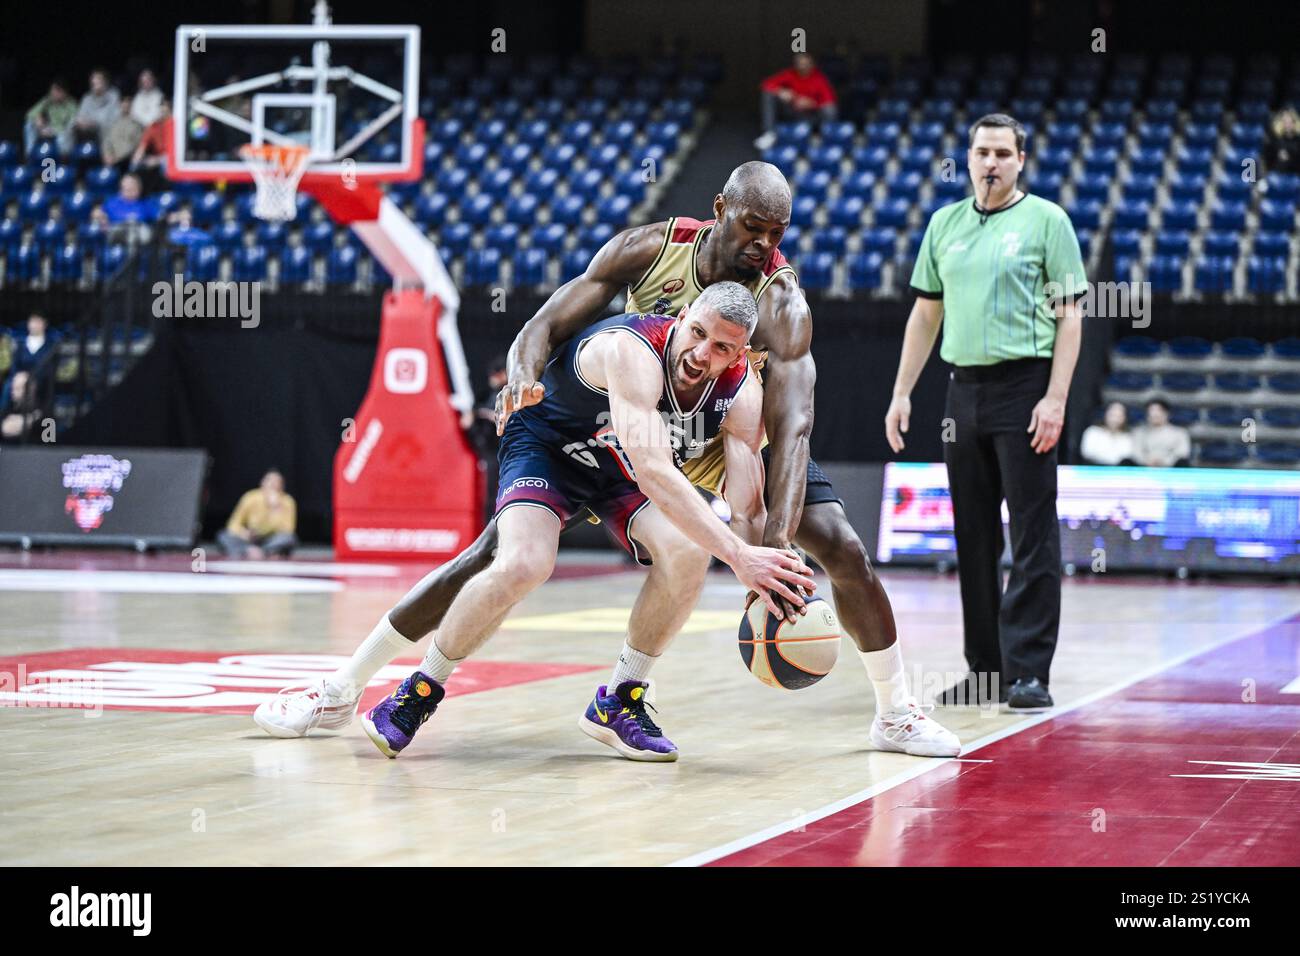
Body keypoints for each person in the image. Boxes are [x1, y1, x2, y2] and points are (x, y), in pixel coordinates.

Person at [255, 161, 959, 759]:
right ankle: (339, 690)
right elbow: (543, 325)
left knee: (837, 545)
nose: (763, 246)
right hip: (612, 421)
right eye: (753, 228)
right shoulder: (648, 254)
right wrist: (525, 376)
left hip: (709, 429)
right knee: (500, 558)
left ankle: (892, 711)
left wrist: (766, 556)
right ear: (720, 212)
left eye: (776, 235)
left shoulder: (782, 305)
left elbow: (790, 431)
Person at [258, 285, 815, 761]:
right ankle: (420, 688)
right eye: (697, 333)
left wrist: (760, 577)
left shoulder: (741, 390)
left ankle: (619, 697)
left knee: (689, 552)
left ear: (741, 353)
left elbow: (747, 508)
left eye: (721, 348)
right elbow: (654, 471)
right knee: (525, 562)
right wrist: (740, 559)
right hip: (550, 448)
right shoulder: (631, 350)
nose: (702, 354)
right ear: (684, 314)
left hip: (616, 464)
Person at [886, 113, 1087, 713]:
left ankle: (1029, 671)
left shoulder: (1048, 221)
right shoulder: (944, 224)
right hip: (962, 390)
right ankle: (985, 669)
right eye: (982, 152)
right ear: (969, 159)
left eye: (1003, 152)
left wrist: (1055, 398)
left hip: (1025, 385)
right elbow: (926, 314)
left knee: (1031, 533)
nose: (991, 162)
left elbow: (1071, 316)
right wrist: (902, 393)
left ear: (1020, 159)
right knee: (972, 535)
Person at [753, 53, 838, 151]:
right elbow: (766, 84)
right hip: (793, 111)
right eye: (800, 64)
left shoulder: (819, 78)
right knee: (768, 94)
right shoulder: (790, 74)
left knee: (829, 110)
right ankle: (769, 133)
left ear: (812, 65)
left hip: (811, 117)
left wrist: (813, 104)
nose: (803, 67)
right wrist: (780, 91)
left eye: (806, 64)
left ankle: (824, 137)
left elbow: (830, 101)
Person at [218, 469, 298, 559]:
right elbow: (233, 523)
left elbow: (288, 530)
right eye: (269, 481)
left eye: (276, 482)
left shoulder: (287, 501)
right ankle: (249, 550)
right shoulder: (251, 497)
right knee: (223, 535)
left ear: (282, 486)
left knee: (289, 539)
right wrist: (243, 533)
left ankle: (262, 552)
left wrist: (274, 509)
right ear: (262, 483)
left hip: (271, 539)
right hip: (250, 537)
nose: (272, 484)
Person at [1131, 398, 1191, 467]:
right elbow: (1136, 453)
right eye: (1151, 411)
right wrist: (1147, 461)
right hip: (1144, 468)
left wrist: (1163, 461)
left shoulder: (1180, 433)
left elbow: (1182, 454)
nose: (1154, 414)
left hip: (1171, 470)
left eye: (1159, 410)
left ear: (1167, 413)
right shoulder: (1139, 432)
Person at [24, 79, 77, 155]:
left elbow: (72, 124)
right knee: (29, 125)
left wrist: (52, 132)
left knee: (62, 137)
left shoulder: (71, 104)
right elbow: (29, 114)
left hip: (62, 132)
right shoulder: (48, 100)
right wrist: (37, 118)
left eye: (56, 91)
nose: (52, 93)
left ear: (63, 92)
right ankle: (30, 154)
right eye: (52, 91)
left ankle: (63, 160)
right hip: (47, 128)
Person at [73, 70, 120, 146]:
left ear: (105, 82)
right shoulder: (87, 98)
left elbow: (116, 119)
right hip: (89, 135)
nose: (96, 86)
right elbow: (79, 117)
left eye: (99, 82)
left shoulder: (113, 95)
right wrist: (81, 122)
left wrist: (95, 123)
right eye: (93, 83)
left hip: (108, 135)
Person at [1080, 401, 1136, 465]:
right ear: (1105, 414)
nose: (1115, 419)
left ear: (1125, 418)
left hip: (1118, 472)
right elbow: (1087, 453)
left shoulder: (1128, 436)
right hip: (1093, 470)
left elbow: (1127, 456)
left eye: (1119, 416)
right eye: (1112, 414)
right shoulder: (1092, 431)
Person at [100, 97, 144, 168]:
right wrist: (107, 155)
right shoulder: (113, 122)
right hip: (110, 159)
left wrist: (117, 158)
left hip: (126, 161)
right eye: (123, 103)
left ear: (131, 105)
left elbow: (135, 145)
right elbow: (107, 141)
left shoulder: (136, 124)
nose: (125, 105)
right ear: (120, 104)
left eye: (128, 103)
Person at [1266, 107, 1300, 177]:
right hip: (1276, 174)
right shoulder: (1276, 139)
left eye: (1290, 122)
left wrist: (1290, 157)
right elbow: (1269, 160)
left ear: (1295, 123)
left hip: (1295, 175)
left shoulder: (1298, 140)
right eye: (1285, 122)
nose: (1288, 125)